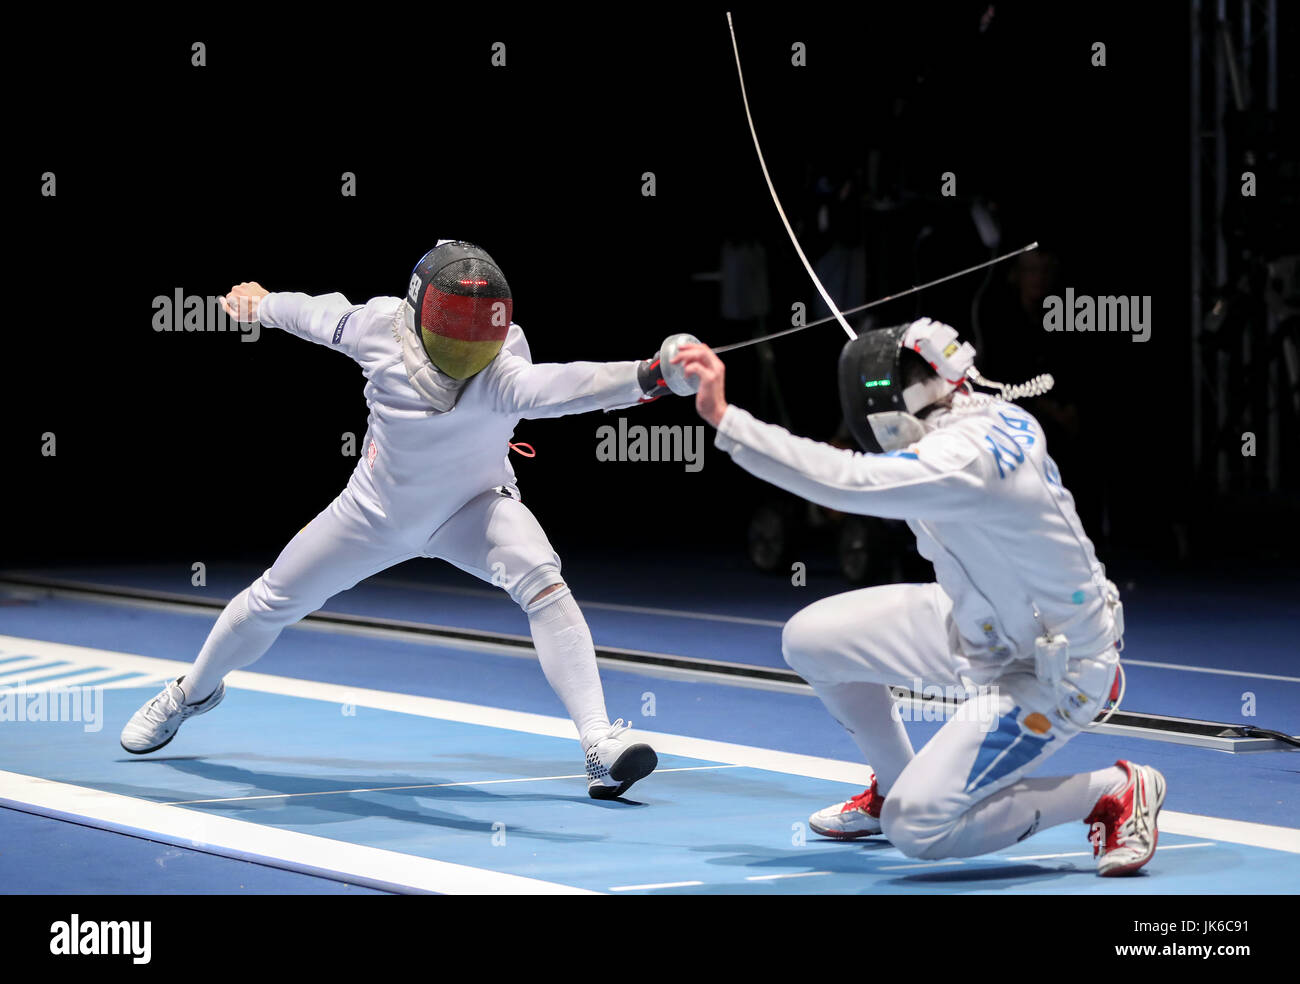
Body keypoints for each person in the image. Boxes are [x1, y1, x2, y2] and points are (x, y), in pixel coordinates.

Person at [121, 240, 667, 800]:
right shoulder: (379, 327)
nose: (466, 340)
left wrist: (650, 377)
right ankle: (190, 693)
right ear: (421, 312)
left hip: (473, 508)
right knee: (269, 601)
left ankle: (599, 743)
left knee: (543, 579)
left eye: (479, 327)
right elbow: (313, 313)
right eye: (453, 323)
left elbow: (565, 388)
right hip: (373, 511)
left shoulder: (503, 364)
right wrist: (262, 303)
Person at [672, 318, 1164, 875]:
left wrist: (723, 416)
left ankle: (1111, 790)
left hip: (1057, 671)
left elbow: (845, 481)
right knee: (810, 639)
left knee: (921, 829)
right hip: (981, 625)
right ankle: (892, 787)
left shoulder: (964, 457)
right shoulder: (979, 423)